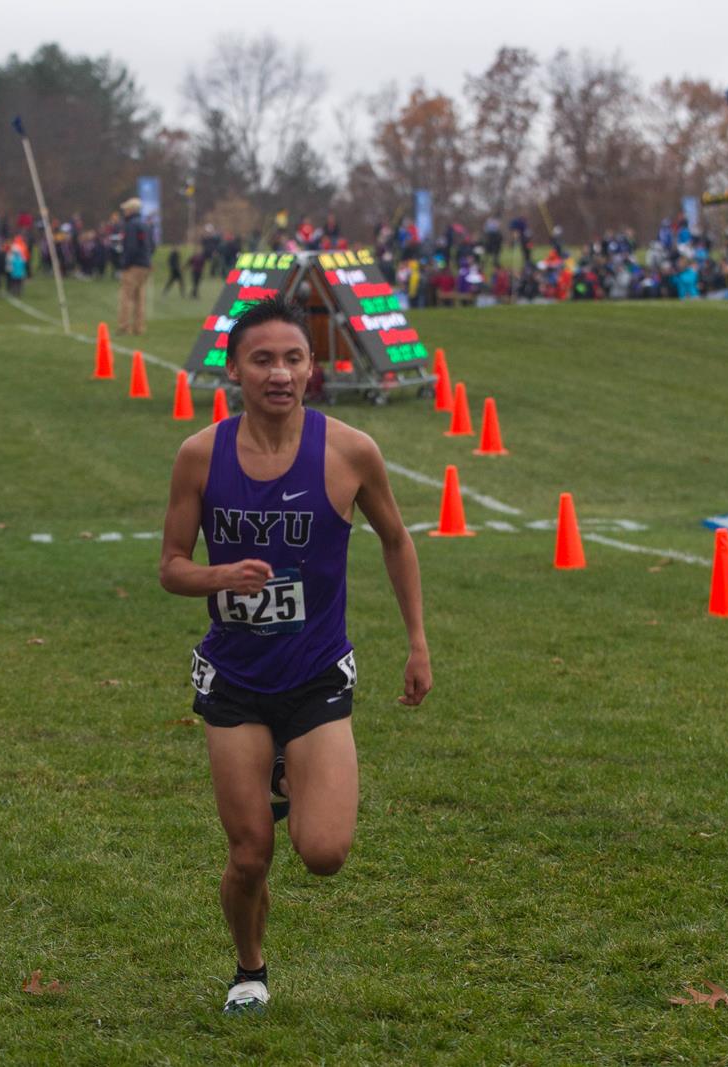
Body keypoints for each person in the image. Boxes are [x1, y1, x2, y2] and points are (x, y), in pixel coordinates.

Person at [158, 295, 431, 1015]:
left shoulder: (349, 451)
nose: (280, 373)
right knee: (250, 853)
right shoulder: (200, 455)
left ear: (314, 367)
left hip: (315, 675)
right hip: (236, 680)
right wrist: (222, 575)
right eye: (263, 359)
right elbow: (171, 567)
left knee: (324, 853)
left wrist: (417, 642)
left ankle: (288, 764)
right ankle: (250, 968)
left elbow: (398, 541)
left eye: (293, 358)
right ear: (233, 370)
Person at [117, 196, 152, 335]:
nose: (124, 211)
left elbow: (131, 247)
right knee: (139, 298)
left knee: (127, 296)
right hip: (145, 265)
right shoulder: (145, 224)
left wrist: (125, 264)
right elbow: (152, 245)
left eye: (126, 209)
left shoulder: (131, 225)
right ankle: (139, 327)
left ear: (131, 210)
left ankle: (124, 327)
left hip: (133, 265)